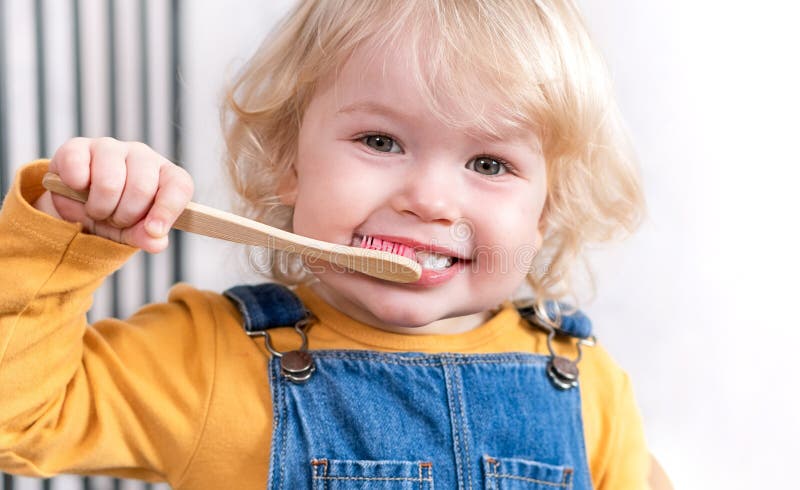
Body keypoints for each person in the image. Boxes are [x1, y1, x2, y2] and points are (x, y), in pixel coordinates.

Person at [0, 1, 673, 488]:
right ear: (287, 162)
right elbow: (18, 420)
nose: (431, 200)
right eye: (380, 142)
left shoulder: (588, 387)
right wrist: (65, 240)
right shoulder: (207, 361)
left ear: (547, 210)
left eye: (490, 164)